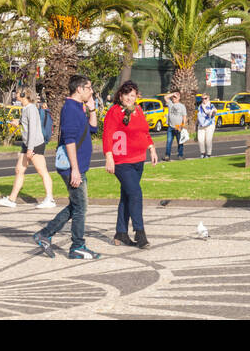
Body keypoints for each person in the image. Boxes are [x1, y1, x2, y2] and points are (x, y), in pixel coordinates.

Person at [34, 74, 101, 260]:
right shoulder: (70, 109)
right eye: (89, 88)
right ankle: (77, 246)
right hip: (72, 167)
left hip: (78, 166)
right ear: (79, 89)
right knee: (81, 208)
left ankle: (45, 234)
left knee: (76, 206)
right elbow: (69, 141)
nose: (91, 91)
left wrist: (92, 109)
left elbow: (93, 129)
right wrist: (75, 169)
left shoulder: (78, 108)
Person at [102, 80, 158, 247]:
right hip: (122, 160)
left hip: (138, 159)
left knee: (127, 196)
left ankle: (121, 233)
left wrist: (152, 148)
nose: (129, 98)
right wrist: (109, 157)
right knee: (135, 193)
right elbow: (107, 135)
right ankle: (140, 233)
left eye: (132, 95)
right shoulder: (114, 112)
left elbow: (144, 132)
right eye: (127, 94)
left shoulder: (138, 110)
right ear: (121, 95)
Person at [0, 88, 56, 209]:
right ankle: (12, 199)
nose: (16, 94)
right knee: (19, 170)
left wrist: (30, 149)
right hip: (27, 143)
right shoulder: (26, 108)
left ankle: (50, 199)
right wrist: (18, 122)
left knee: (42, 171)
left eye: (17, 93)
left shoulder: (32, 108)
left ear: (24, 95)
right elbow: (27, 124)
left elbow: (33, 129)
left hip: (35, 144)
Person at [165, 91, 188, 160]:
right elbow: (165, 97)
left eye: (175, 97)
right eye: (173, 97)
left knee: (180, 142)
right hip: (171, 126)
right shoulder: (170, 103)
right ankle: (167, 156)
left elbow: (184, 117)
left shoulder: (182, 106)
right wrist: (173, 93)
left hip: (178, 126)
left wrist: (182, 125)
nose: (174, 98)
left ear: (179, 98)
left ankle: (180, 155)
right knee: (169, 141)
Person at [196, 93, 217, 158]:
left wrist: (212, 113)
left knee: (208, 140)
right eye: (202, 99)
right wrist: (196, 125)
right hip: (201, 125)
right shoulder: (200, 106)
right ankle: (203, 153)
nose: (204, 100)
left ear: (208, 98)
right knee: (200, 140)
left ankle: (208, 154)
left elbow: (214, 112)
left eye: (205, 98)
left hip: (209, 125)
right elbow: (198, 116)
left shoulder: (211, 105)